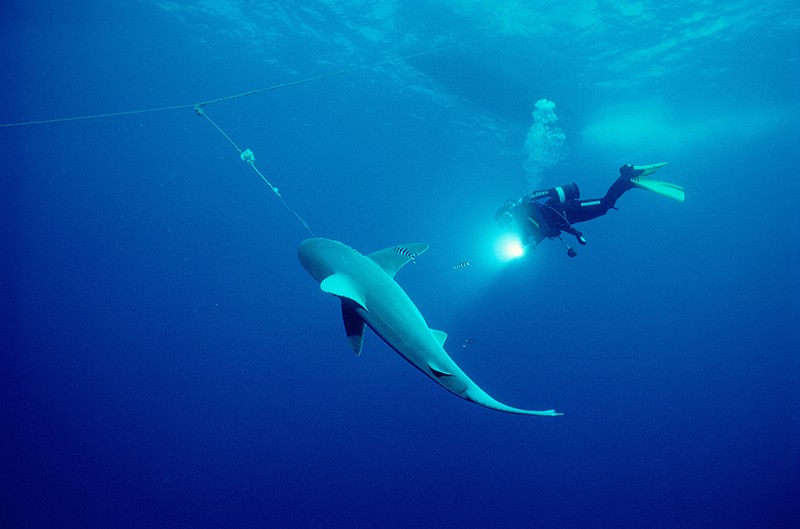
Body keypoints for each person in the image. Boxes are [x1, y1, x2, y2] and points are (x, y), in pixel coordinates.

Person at [495, 163, 685, 257]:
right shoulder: (525, 229)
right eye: (504, 223)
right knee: (604, 207)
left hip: (569, 209)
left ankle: (626, 174)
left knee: (604, 204)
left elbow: (542, 222)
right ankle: (629, 183)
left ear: (509, 211)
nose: (507, 223)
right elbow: (545, 231)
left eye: (505, 218)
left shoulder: (525, 210)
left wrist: (541, 234)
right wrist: (574, 234)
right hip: (570, 218)